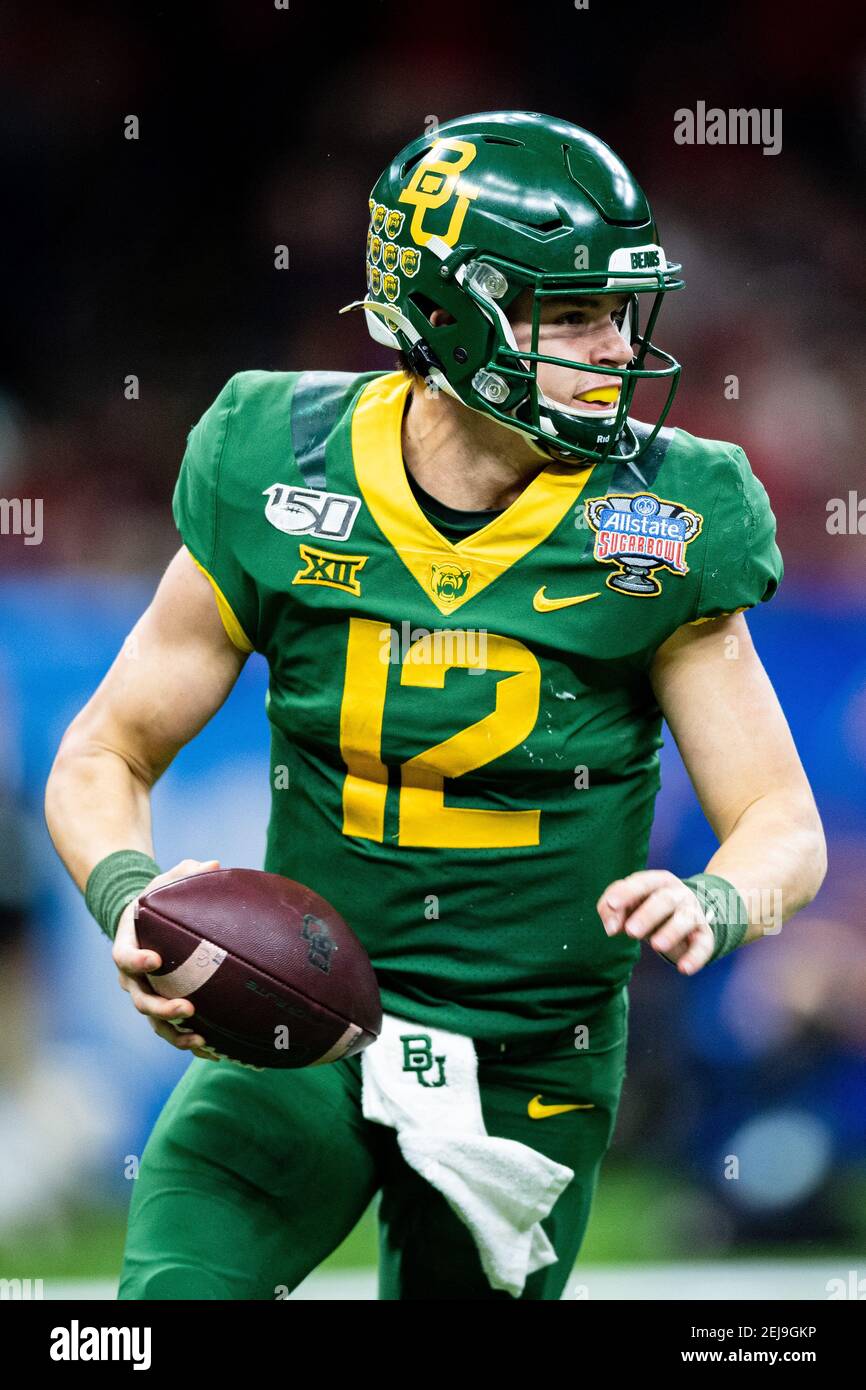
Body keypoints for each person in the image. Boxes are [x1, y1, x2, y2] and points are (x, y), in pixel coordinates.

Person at [44, 111, 826, 1300]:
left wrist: (715, 898)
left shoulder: (665, 518)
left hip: (528, 1060)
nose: (615, 347)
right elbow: (106, 749)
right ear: (452, 315)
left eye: (617, 310)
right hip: (300, 1025)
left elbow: (782, 820)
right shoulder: (281, 459)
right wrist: (128, 894)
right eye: (568, 313)